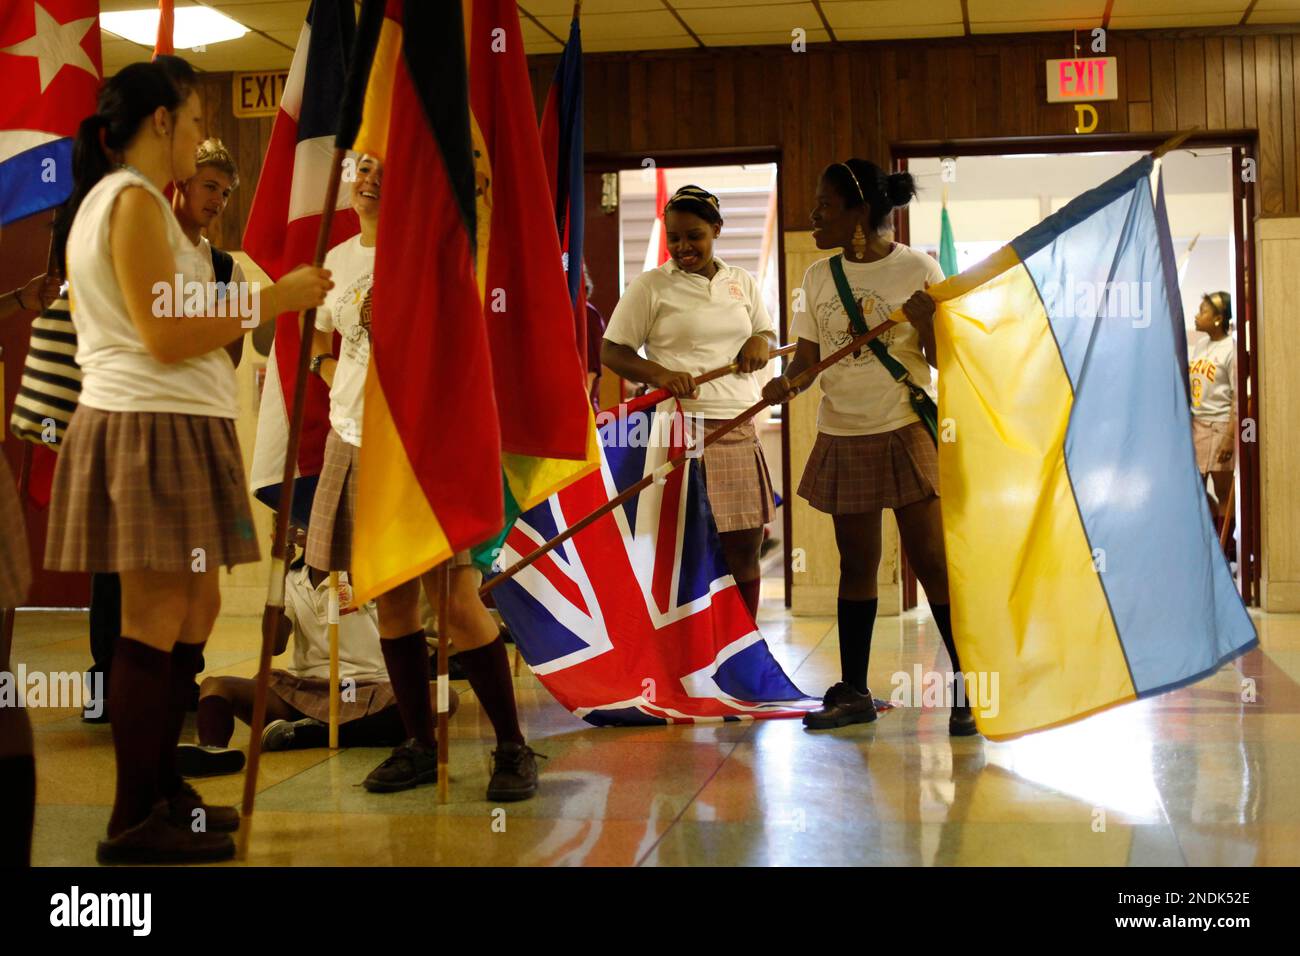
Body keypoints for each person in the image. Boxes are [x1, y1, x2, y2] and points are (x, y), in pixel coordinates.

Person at [43, 56, 332, 863]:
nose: (204, 135)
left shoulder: (149, 208)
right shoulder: (130, 201)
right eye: (198, 120)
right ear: (161, 122)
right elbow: (163, 332)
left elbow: (178, 310)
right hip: (147, 423)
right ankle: (134, 817)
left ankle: (166, 789)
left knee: (197, 609)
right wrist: (271, 300)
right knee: (154, 618)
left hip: (181, 423)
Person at [303, 154, 542, 801]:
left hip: (424, 450)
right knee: (391, 601)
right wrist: (348, 394)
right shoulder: (341, 255)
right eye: (362, 166)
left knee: (457, 599)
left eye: (385, 165)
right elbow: (323, 347)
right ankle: (416, 743)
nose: (371, 177)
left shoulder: (434, 252)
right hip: (354, 445)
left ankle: (513, 748)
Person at [762, 158, 976, 736]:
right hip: (843, 431)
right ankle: (855, 692)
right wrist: (787, 383)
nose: (813, 216)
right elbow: (807, 363)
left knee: (931, 561)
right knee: (857, 565)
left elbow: (939, 359)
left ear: (860, 214)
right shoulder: (815, 277)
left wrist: (928, 321)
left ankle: (968, 692)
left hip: (905, 427)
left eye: (825, 207)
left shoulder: (918, 267)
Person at [84, 137, 247, 723]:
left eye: (225, 194)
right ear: (181, 180)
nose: (217, 201)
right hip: (136, 422)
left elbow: (229, 351)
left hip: (197, 428)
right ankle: (107, 686)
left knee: (196, 565)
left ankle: (179, 678)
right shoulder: (142, 244)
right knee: (124, 565)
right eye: (209, 187)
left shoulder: (221, 265)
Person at [602, 185, 777, 619]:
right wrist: (660, 374)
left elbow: (767, 334)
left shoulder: (743, 282)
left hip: (737, 428)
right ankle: (685, 658)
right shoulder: (650, 286)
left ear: (716, 230)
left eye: (694, 236)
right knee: (679, 550)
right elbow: (612, 351)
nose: (683, 247)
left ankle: (741, 652)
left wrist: (759, 340)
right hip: (675, 431)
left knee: (743, 550)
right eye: (674, 238)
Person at [174, 531, 457, 775]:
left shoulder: (365, 569)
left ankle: (310, 734)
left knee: (442, 699)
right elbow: (274, 645)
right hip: (304, 690)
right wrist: (278, 571)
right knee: (215, 686)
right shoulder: (292, 579)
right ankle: (212, 752)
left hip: (370, 689)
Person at [1188, 291, 1237, 539]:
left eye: (1203, 311)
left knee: (1223, 489)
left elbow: (1239, 398)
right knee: (1195, 488)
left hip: (1220, 427)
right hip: (1198, 426)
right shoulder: (1199, 346)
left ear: (1218, 318)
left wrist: (1230, 437)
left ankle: (1226, 547)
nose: (1197, 316)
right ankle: (1208, 538)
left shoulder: (1231, 350)